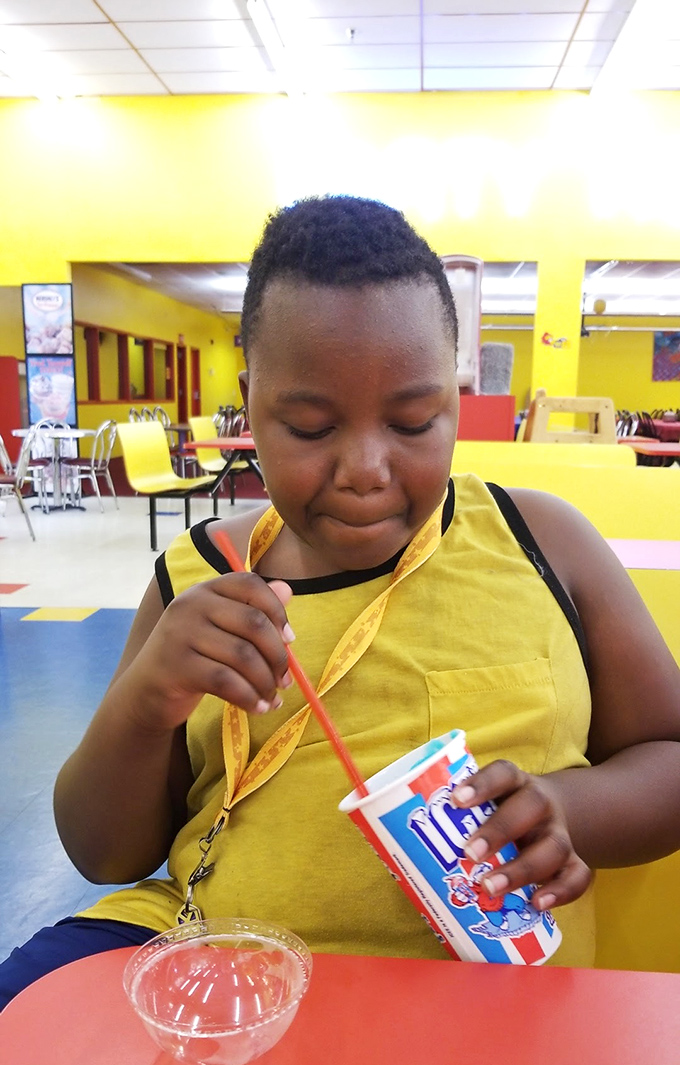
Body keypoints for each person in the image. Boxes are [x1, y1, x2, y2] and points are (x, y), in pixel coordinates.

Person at [3, 196, 680, 1008]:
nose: (365, 465)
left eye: (413, 420)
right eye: (312, 426)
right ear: (251, 403)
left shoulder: (544, 545)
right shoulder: (199, 574)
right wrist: (148, 700)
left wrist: (569, 810)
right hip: (222, 981)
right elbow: (102, 853)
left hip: (482, 1011)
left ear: (456, 400)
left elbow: (669, 754)